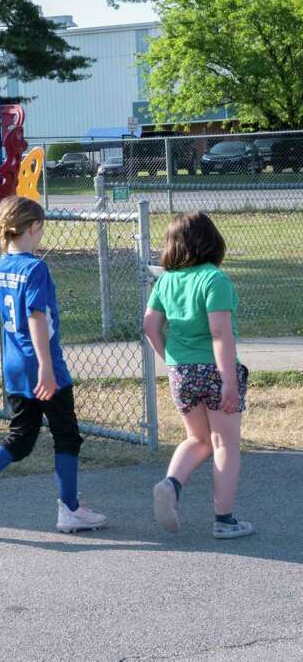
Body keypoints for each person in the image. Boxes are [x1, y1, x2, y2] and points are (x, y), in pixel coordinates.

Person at [0, 196, 108, 534]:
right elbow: (36, 317)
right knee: (67, 435)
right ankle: (70, 509)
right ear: (33, 228)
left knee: (21, 436)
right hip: (42, 365)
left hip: (15, 366)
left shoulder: (0, 264)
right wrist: (47, 367)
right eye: (41, 228)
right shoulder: (36, 267)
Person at [144, 212, 253, 539]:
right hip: (215, 370)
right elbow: (220, 334)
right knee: (224, 443)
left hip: (182, 371)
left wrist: (172, 360)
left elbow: (150, 325)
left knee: (198, 439)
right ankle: (224, 520)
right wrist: (229, 383)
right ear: (212, 240)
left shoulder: (165, 280)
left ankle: (171, 484)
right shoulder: (214, 279)